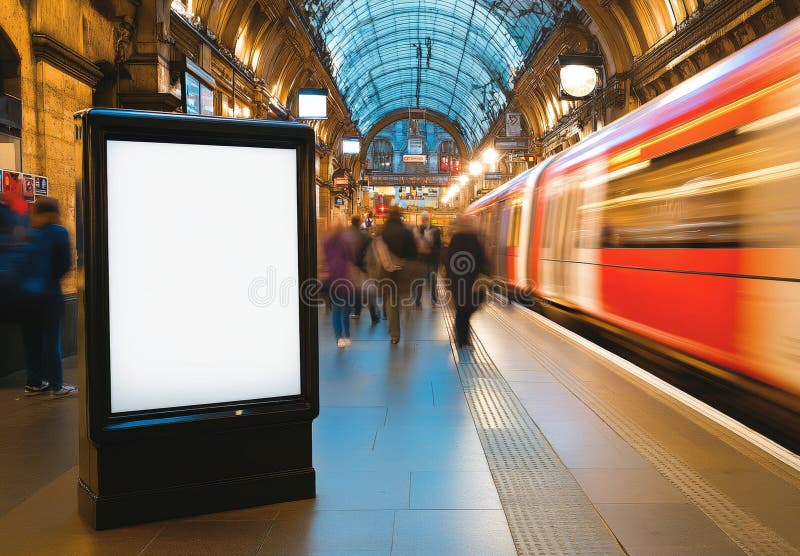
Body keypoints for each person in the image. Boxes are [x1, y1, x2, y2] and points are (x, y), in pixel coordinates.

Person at [21, 197, 76, 397]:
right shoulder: (58, 232)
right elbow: (65, 264)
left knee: (32, 342)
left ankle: (33, 384)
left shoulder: (28, 233)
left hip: (26, 297)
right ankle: (56, 385)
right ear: (55, 212)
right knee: (51, 342)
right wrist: (52, 279)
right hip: (49, 295)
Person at [445, 214, 489, 348]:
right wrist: (485, 275)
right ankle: (463, 337)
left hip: (458, 282)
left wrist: (448, 280)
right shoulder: (475, 240)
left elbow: (448, 260)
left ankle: (462, 337)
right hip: (472, 282)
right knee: (467, 310)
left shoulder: (455, 239)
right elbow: (482, 260)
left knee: (462, 309)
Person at [381, 205, 416, 344]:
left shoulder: (383, 231)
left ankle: (394, 335)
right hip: (404, 271)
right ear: (400, 215)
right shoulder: (406, 231)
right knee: (406, 297)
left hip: (388, 272)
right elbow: (414, 253)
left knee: (391, 303)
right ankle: (408, 323)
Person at [322, 225, 357, 348]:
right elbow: (352, 259)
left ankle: (339, 338)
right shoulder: (346, 241)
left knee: (336, 309)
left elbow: (324, 259)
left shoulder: (326, 242)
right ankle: (347, 335)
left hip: (332, 279)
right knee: (346, 309)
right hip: (345, 279)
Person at [348, 215, 380, 324]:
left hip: (352, 267)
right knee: (369, 290)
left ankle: (357, 312)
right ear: (359, 223)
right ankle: (374, 315)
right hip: (365, 266)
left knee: (355, 290)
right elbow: (372, 248)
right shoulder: (365, 236)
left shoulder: (347, 236)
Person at [413, 211, 442, 307]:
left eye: (425, 218)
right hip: (421, 260)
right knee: (419, 281)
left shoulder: (436, 230)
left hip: (432, 260)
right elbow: (415, 245)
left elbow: (439, 247)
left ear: (428, 219)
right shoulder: (418, 230)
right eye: (423, 218)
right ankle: (417, 300)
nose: (424, 220)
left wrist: (430, 250)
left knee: (432, 281)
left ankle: (434, 299)